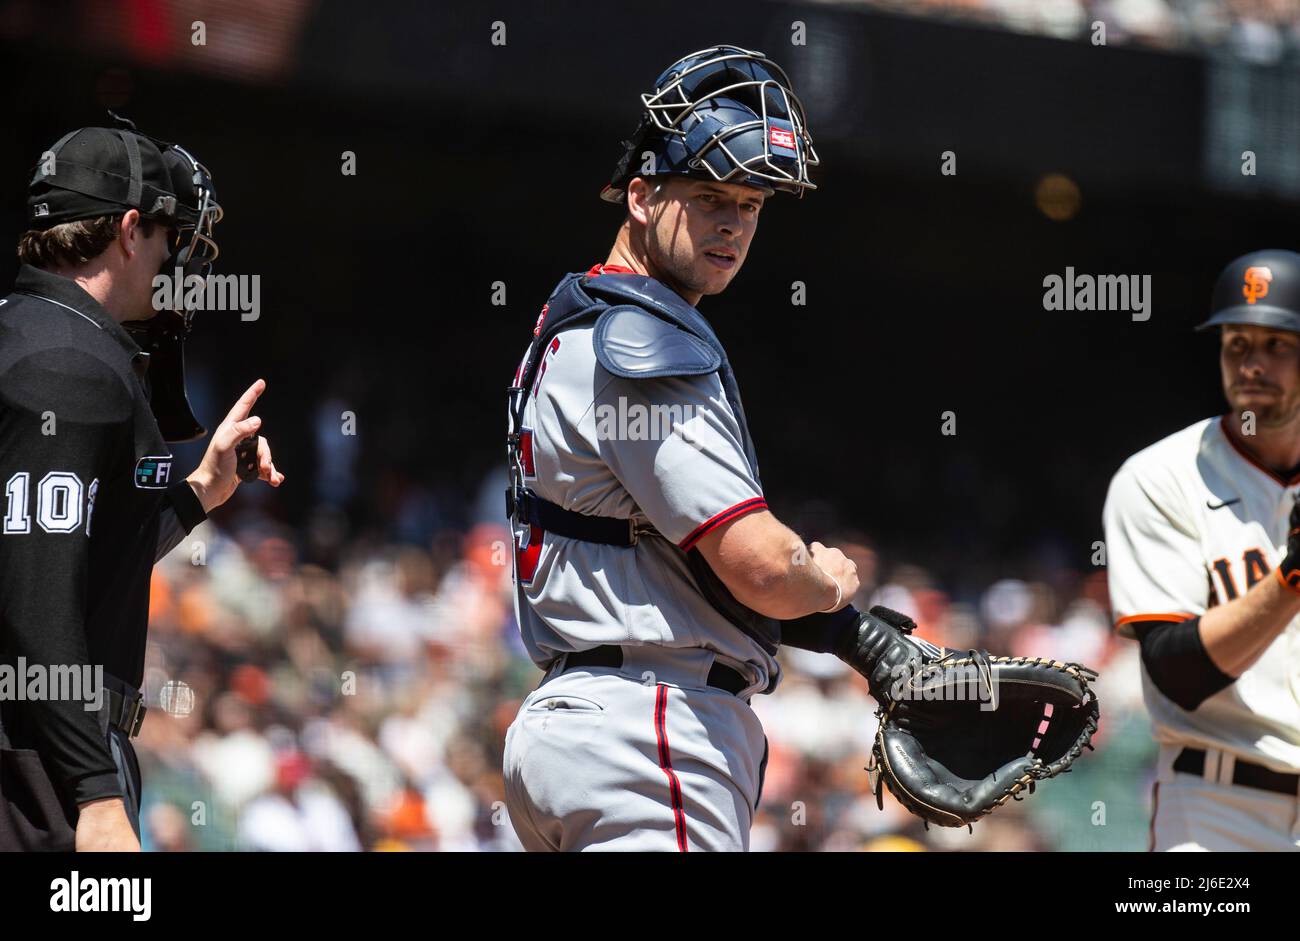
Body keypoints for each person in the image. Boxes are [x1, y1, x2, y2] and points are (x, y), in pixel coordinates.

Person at [501, 45, 908, 851]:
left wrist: (858, 639)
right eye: (711, 195)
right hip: (651, 733)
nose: (733, 223)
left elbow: (668, 567)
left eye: (752, 204)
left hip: (583, 725)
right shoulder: (642, 340)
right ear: (643, 195)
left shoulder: (578, 318)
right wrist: (822, 582)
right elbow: (758, 566)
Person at [0, 122, 285, 851]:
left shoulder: (34, 334)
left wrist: (197, 493)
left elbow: (76, 563)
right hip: (37, 767)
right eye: (166, 237)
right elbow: (36, 597)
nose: (174, 259)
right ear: (129, 230)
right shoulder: (65, 363)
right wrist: (94, 794)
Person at [1104, 249, 1300, 851]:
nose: (1252, 364)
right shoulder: (1160, 478)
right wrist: (1291, 578)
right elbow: (1176, 673)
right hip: (1218, 809)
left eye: (1277, 345)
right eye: (1236, 345)